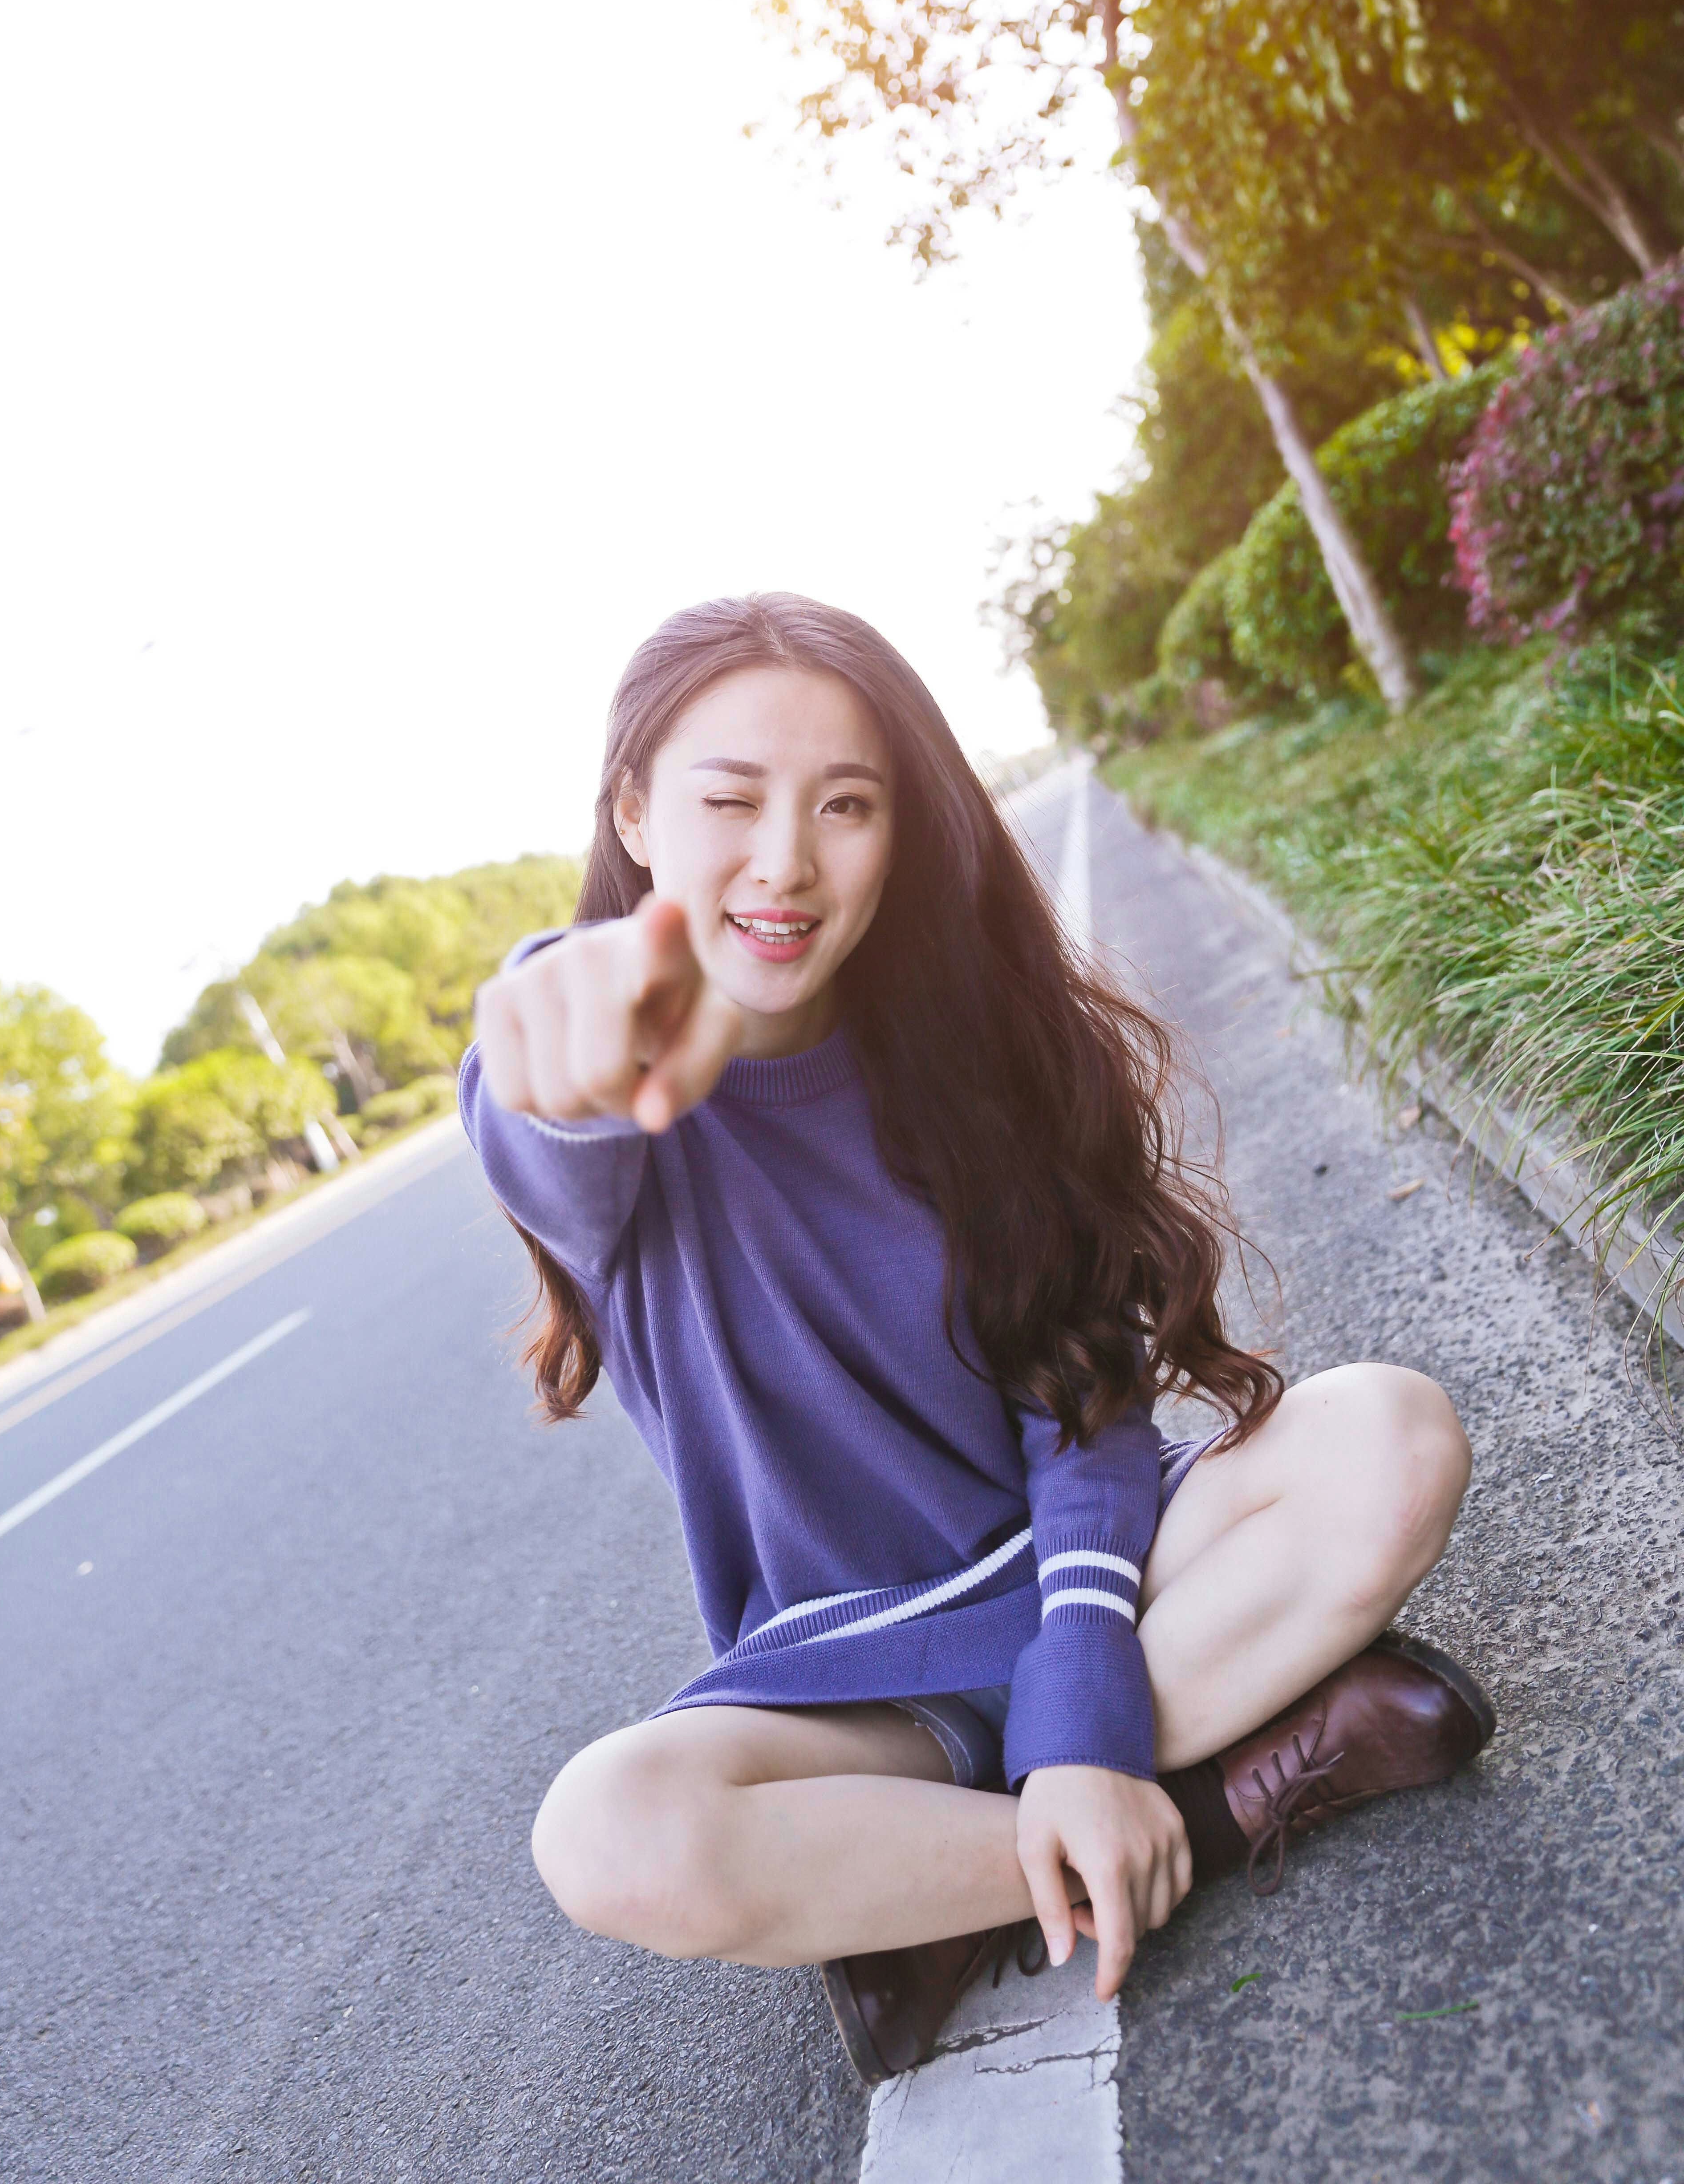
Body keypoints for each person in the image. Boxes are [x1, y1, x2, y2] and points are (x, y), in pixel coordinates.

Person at [461, 592, 1494, 2084]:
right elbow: (545, 1115)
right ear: (633, 807)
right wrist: (565, 1023)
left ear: (903, 828)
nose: (785, 861)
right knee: (611, 1836)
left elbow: (1084, 1402)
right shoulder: (618, 1097)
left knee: (1392, 1436)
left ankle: (940, 1893)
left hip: (1107, 1590)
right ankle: (1205, 1808)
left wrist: (1081, 1700)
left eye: (847, 804)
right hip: (856, 1686)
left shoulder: (970, 1053)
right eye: (729, 800)